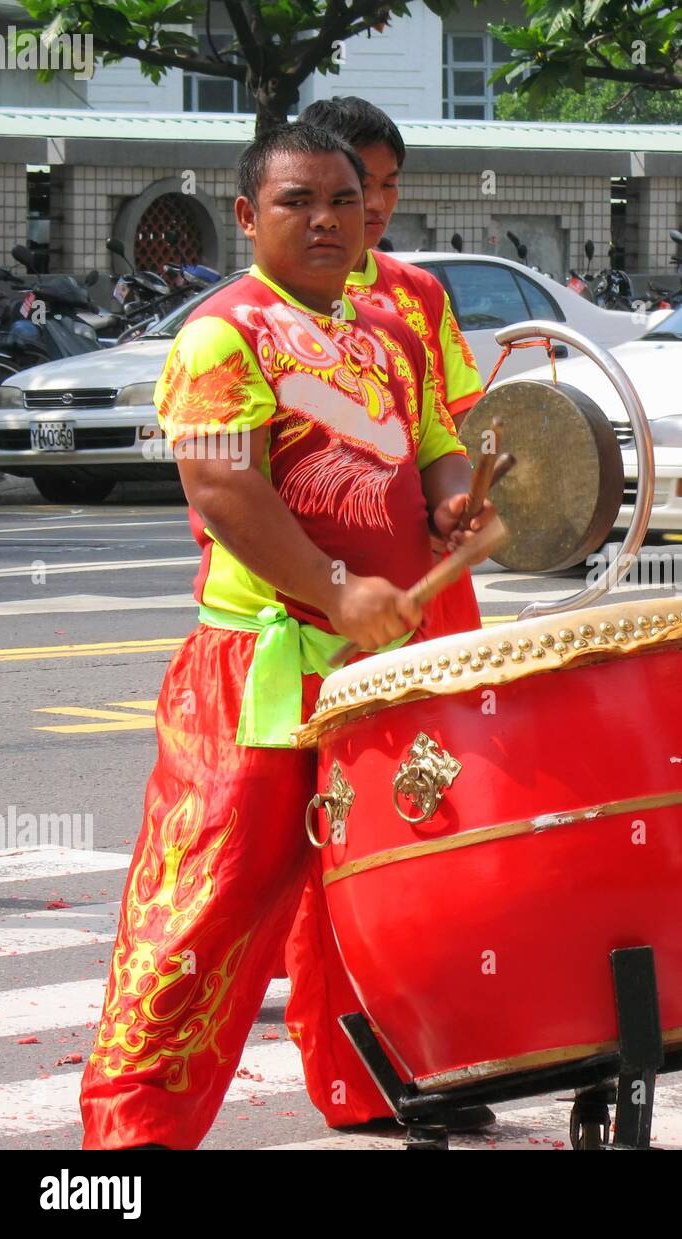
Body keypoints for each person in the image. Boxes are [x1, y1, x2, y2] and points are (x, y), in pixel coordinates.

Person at [78, 122, 495, 1149]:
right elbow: (222, 487)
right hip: (258, 676)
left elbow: (440, 443)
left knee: (378, 893)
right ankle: (124, 1156)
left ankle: (371, 1082)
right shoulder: (222, 333)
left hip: (374, 672)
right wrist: (335, 587)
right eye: (297, 202)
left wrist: (452, 505)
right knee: (200, 923)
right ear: (246, 216)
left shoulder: (390, 330)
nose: (324, 220)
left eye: (343, 202)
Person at [283, 95, 491, 1133]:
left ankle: (440, 1057)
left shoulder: (413, 296)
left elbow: (443, 425)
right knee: (344, 846)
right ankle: (358, 1079)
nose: (366, 210)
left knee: (441, 828)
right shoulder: (261, 318)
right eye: (347, 189)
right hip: (331, 613)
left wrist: (456, 495)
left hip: (434, 598)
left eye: (381, 190)